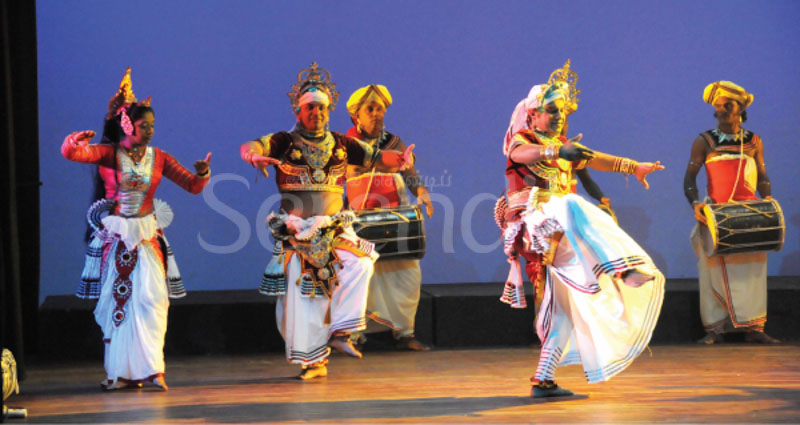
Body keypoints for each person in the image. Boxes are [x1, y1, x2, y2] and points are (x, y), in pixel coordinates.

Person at [497, 62, 666, 398]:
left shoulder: (561, 143)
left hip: (558, 233)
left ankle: (542, 380)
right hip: (533, 223)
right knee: (571, 204)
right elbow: (520, 153)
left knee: (562, 309)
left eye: (562, 110)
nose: (559, 115)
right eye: (551, 110)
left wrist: (634, 168)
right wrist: (556, 149)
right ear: (532, 115)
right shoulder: (524, 139)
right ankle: (621, 269)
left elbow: (596, 158)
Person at [240, 63, 413, 380]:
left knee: (361, 262)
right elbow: (251, 146)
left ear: (329, 110)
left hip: (334, 228)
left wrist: (399, 161)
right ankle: (313, 362)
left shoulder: (341, 144)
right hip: (297, 232)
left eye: (321, 107)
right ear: (298, 110)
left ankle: (340, 331)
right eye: (309, 107)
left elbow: (378, 158)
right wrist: (254, 156)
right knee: (306, 300)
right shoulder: (283, 141)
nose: (316, 113)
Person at [61, 68, 211, 391]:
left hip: (146, 238)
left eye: (154, 125)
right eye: (146, 126)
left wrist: (203, 174)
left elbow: (192, 186)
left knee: (154, 299)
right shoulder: (110, 154)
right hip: (117, 239)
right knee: (119, 303)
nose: (152, 131)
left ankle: (153, 369)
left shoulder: (159, 158)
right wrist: (73, 143)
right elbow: (74, 154)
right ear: (127, 125)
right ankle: (120, 372)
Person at [683, 81, 779, 345]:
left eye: (728, 104)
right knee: (712, 269)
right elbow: (689, 179)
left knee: (752, 271)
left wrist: (767, 197)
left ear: (741, 108)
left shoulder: (754, 141)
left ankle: (754, 329)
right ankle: (716, 329)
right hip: (716, 214)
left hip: (749, 214)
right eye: (718, 105)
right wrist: (695, 204)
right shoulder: (704, 141)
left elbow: (762, 175)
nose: (722, 109)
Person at [343, 84, 432, 351]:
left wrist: (422, 191)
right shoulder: (345, 143)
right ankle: (353, 336)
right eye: (369, 109)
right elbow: (347, 174)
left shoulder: (394, 142)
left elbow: (409, 172)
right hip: (359, 221)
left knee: (407, 274)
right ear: (356, 115)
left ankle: (404, 334)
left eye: (379, 108)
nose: (376, 113)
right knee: (358, 278)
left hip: (395, 221)